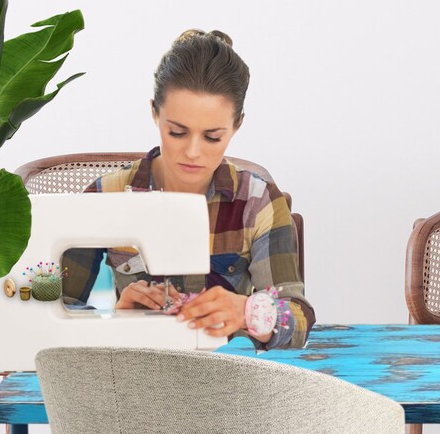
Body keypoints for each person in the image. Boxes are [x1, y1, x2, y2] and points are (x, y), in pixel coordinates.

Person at [70, 29, 313, 350]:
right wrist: (114, 320)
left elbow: (297, 317)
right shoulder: (106, 197)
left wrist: (248, 311)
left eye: (212, 137)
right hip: (136, 374)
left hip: (230, 378)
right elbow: (52, 306)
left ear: (237, 125)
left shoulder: (258, 203)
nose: (193, 152)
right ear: (155, 112)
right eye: (177, 132)